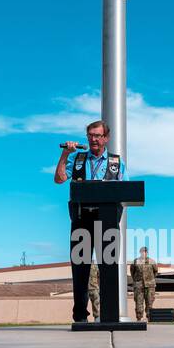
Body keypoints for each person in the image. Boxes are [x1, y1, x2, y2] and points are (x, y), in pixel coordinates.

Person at [54, 120, 126, 323]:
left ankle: (109, 315)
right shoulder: (78, 159)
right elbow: (59, 179)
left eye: (98, 135)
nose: (93, 139)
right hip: (81, 220)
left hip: (107, 223)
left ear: (106, 138)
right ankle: (80, 317)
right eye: (90, 135)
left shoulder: (116, 163)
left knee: (109, 268)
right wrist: (65, 154)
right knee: (80, 269)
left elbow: (126, 191)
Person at [130, 246, 159, 321]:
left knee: (149, 302)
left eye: (145, 251)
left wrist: (150, 280)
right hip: (139, 285)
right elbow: (132, 272)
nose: (144, 253)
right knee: (139, 302)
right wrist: (137, 281)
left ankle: (149, 318)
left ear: (147, 252)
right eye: (142, 251)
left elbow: (155, 272)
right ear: (140, 252)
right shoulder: (135, 261)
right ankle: (139, 318)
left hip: (150, 286)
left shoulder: (152, 261)